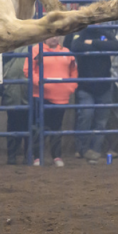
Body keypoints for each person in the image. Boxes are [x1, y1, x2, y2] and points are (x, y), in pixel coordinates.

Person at [23, 35, 77, 167]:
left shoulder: (66, 52)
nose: (54, 38)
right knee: (39, 127)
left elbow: (74, 70)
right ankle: (37, 156)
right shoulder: (36, 50)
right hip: (41, 96)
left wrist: (71, 86)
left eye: (57, 35)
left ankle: (56, 156)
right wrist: (40, 82)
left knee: (56, 128)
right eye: (51, 35)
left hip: (62, 97)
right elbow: (28, 69)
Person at [70, 24, 118, 163]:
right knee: (86, 115)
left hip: (103, 85)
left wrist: (92, 43)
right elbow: (76, 46)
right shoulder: (81, 32)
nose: (96, 22)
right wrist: (101, 46)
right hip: (86, 86)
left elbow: (116, 46)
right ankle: (83, 149)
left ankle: (95, 150)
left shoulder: (104, 32)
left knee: (101, 121)